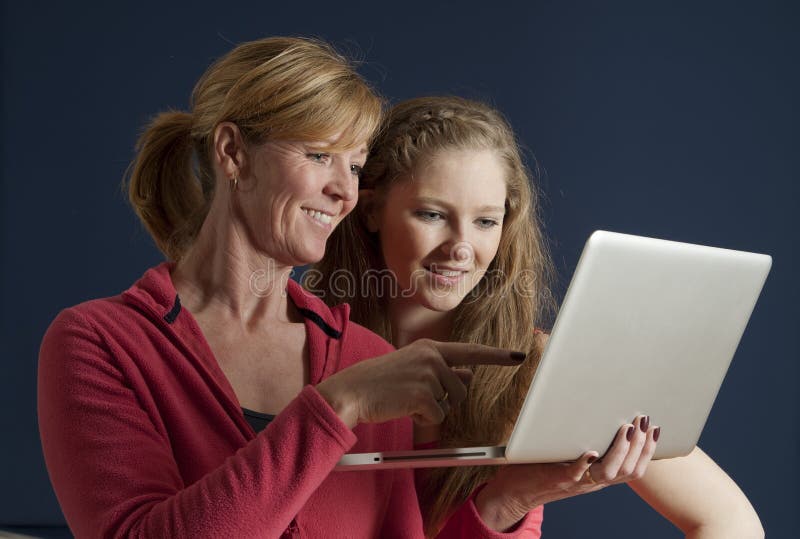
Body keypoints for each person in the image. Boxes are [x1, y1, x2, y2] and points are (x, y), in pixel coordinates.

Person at [37, 39, 525, 539]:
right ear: (233, 153)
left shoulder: (366, 356)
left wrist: (517, 496)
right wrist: (338, 406)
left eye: (354, 166)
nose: (345, 191)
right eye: (319, 155)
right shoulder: (99, 343)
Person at [314, 96, 765, 538]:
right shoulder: (305, 354)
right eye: (432, 214)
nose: (462, 248)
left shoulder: (536, 369)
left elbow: (730, 522)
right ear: (371, 210)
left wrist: (511, 499)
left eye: (486, 222)